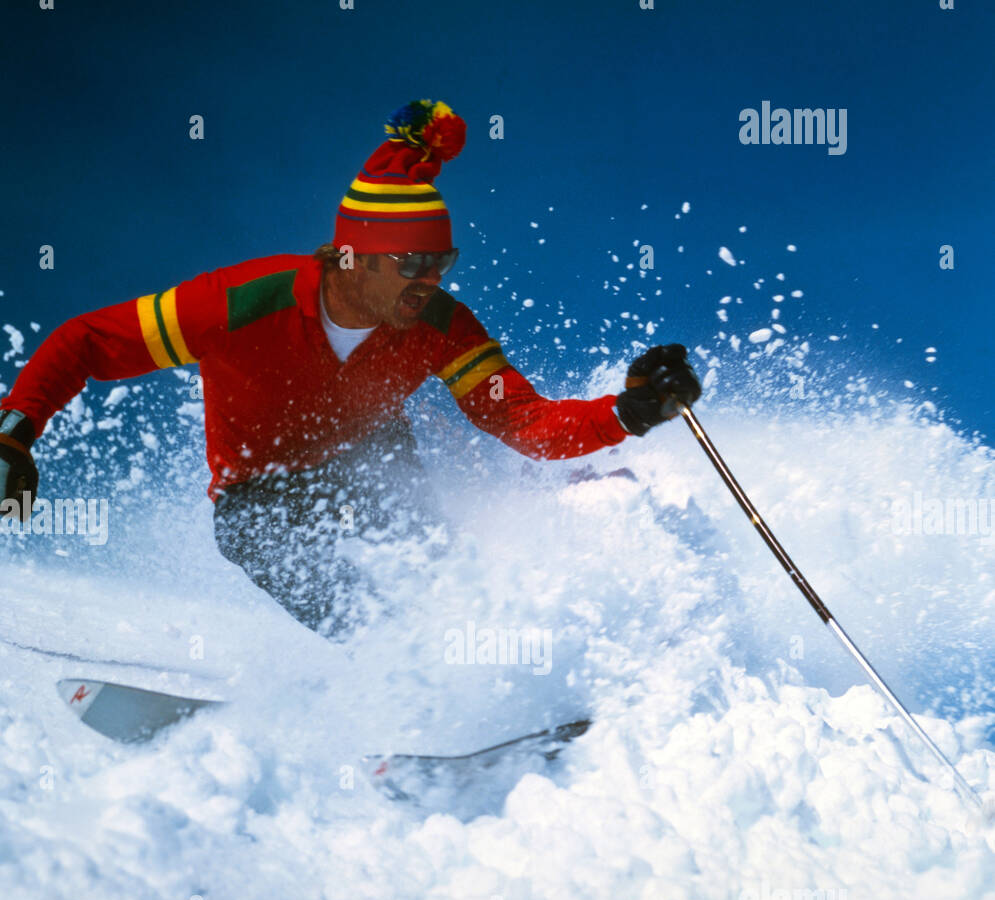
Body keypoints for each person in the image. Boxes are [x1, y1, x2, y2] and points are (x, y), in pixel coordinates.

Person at [0, 99, 701, 637]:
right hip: (258, 495)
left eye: (440, 262)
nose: (428, 280)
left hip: (372, 465)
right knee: (294, 569)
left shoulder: (438, 327)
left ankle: (475, 676)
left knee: (435, 579)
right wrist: (14, 433)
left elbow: (522, 421)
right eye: (411, 264)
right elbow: (85, 340)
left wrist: (629, 410)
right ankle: (396, 673)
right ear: (351, 258)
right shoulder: (241, 303)